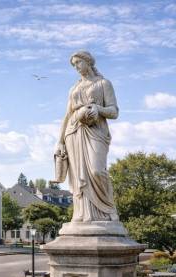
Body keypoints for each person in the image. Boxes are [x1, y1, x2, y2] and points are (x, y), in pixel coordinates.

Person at [53, 51, 119, 223]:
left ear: (88, 62)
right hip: (74, 131)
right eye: (74, 65)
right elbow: (67, 116)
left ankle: (107, 210)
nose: (76, 67)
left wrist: (99, 109)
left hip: (96, 130)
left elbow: (114, 111)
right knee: (77, 178)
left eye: (78, 62)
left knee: (97, 171)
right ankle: (82, 214)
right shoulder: (74, 89)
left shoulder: (103, 83)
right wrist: (59, 141)